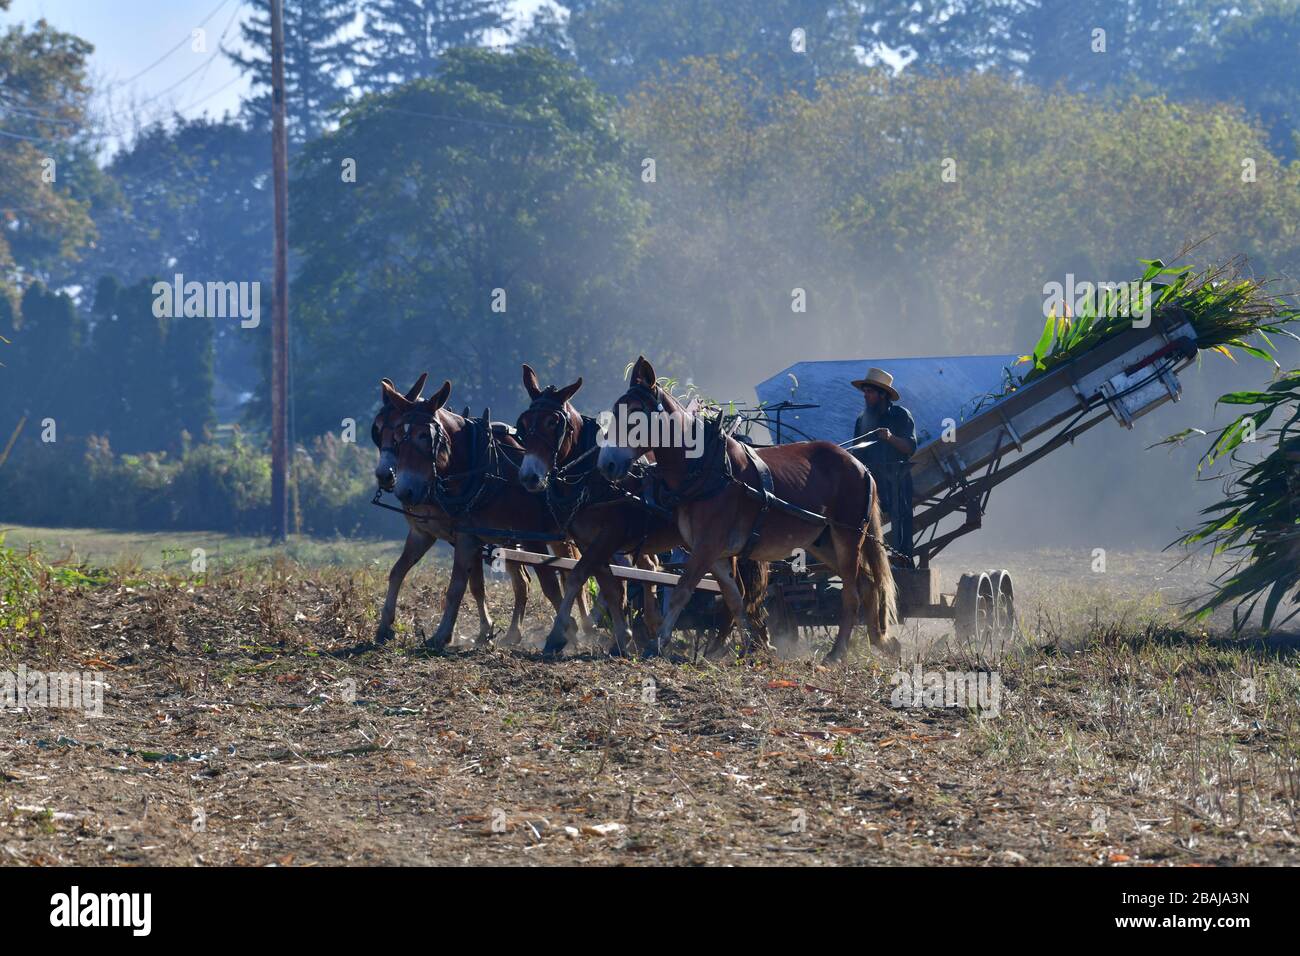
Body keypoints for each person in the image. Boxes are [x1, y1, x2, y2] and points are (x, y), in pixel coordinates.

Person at [849, 367, 916, 560]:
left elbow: (910, 447)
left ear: (882, 394)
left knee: (902, 525)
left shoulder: (901, 415)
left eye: (869, 392)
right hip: (872, 484)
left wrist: (890, 438)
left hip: (896, 484)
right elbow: (857, 453)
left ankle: (904, 561)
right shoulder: (862, 420)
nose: (865, 396)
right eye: (865, 392)